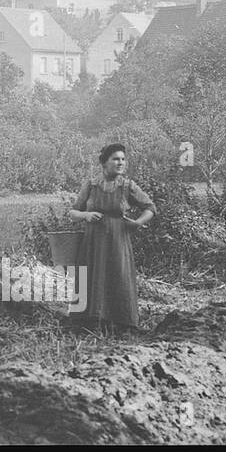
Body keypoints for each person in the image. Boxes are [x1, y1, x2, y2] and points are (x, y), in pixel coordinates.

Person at [65, 143, 156, 334]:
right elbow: (73, 212)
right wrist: (86, 215)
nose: (120, 163)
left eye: (123, 159)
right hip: (93, 242)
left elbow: (150, 208)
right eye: (115, 159)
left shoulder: (128, 186)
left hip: (118, 241)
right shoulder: (91, 185)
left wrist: (137, 223)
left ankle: (121, 324)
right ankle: (89, 323)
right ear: (104, 163)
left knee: (119, 276)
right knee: (90, 277)